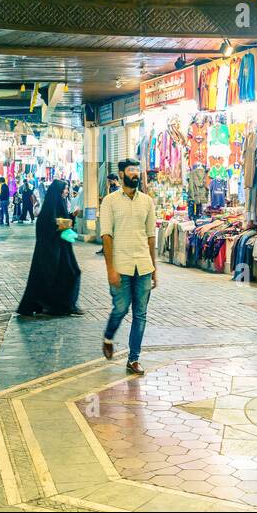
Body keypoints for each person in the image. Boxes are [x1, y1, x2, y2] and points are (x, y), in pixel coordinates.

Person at [100, 158, 156, 375]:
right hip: (121, 266)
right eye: (131, 171)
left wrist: (154, 268)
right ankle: (108, 336)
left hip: (143, 266)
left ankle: (133, 359)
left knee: (140, 314)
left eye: (137, 172)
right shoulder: (110, 201)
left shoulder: (147, 202)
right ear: (121, 174)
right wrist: (110, 269)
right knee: (121, 308)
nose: (135, 175)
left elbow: (151, 236)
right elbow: (106, 236)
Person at [17, 180, 83, 317]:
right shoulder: (48, 209)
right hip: (50, 251)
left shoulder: (61, 204)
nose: (66, 191)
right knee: (55, 276)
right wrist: (59, 225)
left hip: (63, 248)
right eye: (65, 189)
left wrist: (72, 216)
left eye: (67, 189)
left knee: (73, 272)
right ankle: (60, 305)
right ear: (58, 191)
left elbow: (64, 222)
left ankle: (66, 304)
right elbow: (47, 226)